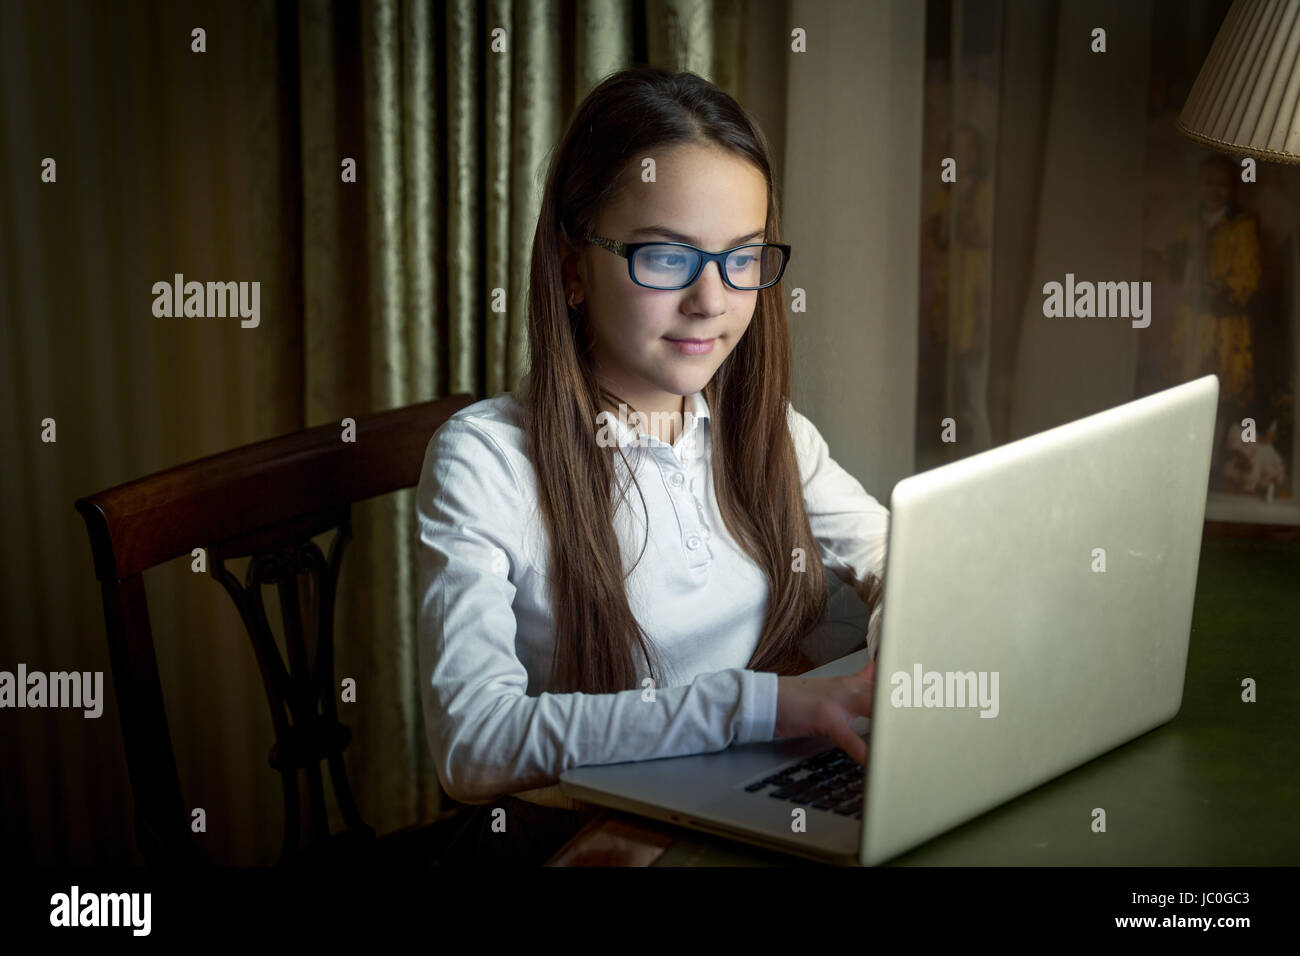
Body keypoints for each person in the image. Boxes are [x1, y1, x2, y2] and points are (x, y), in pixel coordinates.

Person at [416, 65, 887, 865]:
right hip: (575, 838)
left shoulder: (765, 431)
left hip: (739, 802)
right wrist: (765, 707)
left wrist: (900, 635)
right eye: (667, 257)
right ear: (572, 265)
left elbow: (906, 561)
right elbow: (473, 743)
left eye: (742, 258)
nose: (712, 300)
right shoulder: (486, 462)